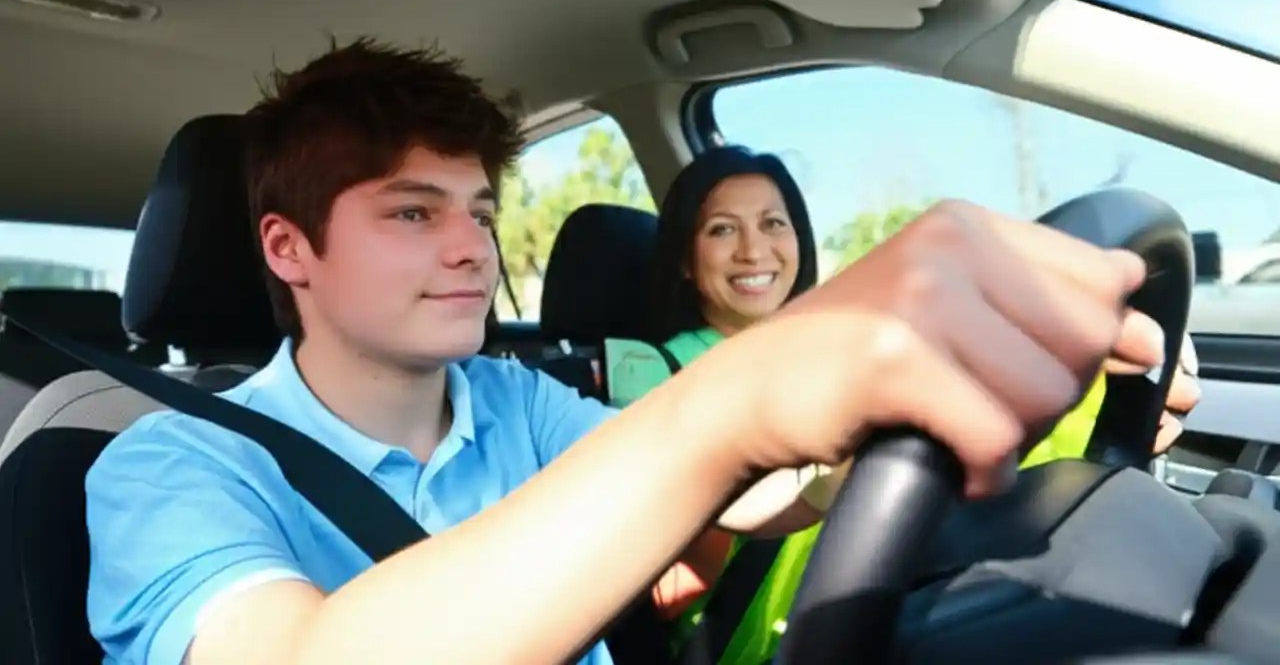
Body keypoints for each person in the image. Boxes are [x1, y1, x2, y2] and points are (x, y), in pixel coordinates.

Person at [84, 36, 1170, 665]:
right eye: (412, 215)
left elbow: (732, 499)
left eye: (476, 208)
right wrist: (727, 401)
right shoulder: (169, 466)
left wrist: (1012, 395)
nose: (472, 249)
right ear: (290, 249)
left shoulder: (516, 403)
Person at [615, 146, 1203, 664]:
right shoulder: (653, 376)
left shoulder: (846, 337)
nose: (753, 249)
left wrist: (1100, 388)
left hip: (901, 600)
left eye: (774, 222)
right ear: (687, 261)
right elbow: (665, 595)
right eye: (721, 229)